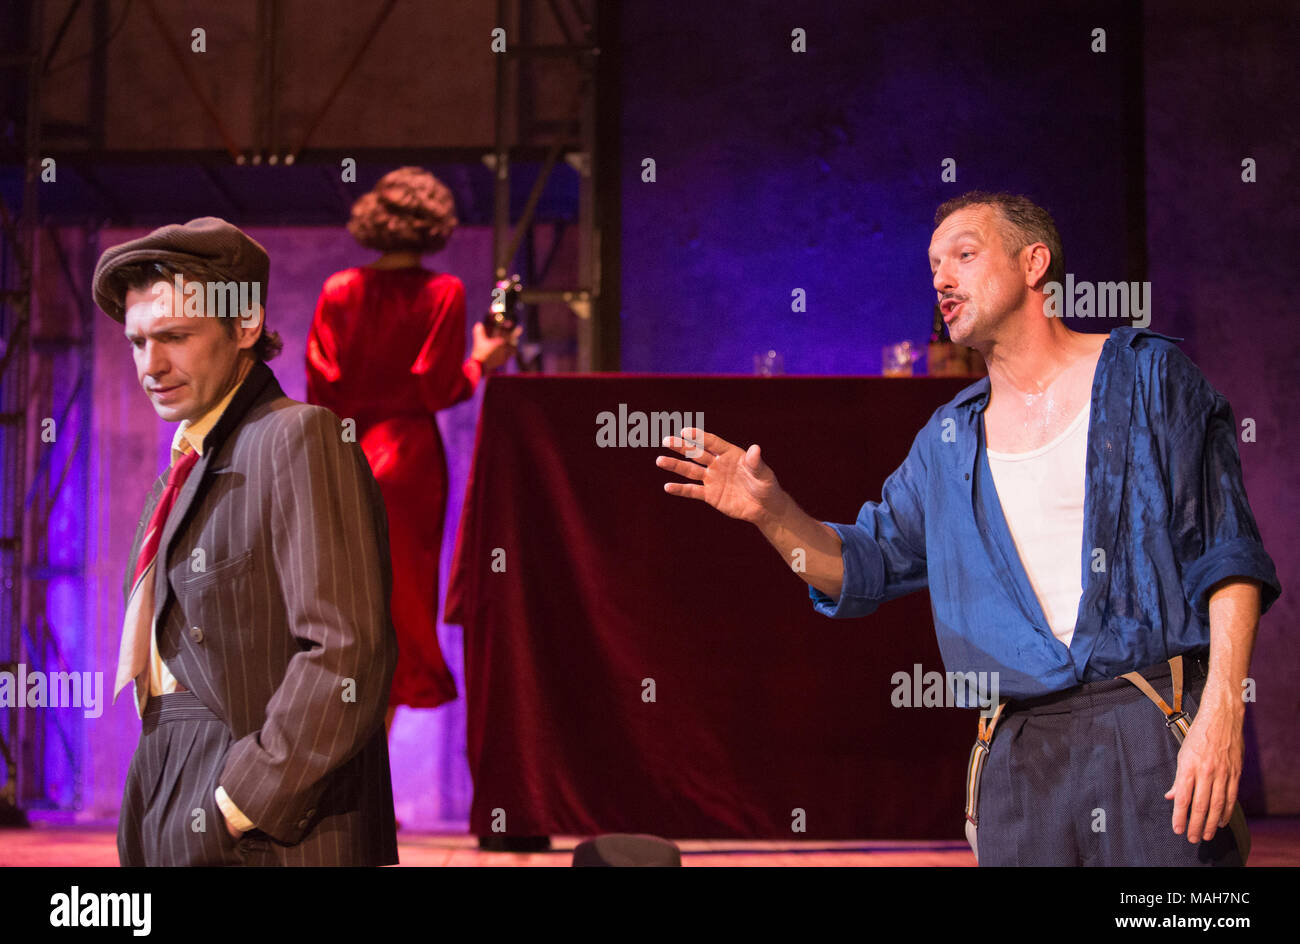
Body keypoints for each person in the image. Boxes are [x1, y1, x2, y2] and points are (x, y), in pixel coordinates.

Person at [656, 191, 1280, 866]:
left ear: (1034, 262)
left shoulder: (1150, 378)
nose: (941, 280)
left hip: (1150, 726)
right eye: (933, 265)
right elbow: (861, 567)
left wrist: (1222, 712)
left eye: (964, 255)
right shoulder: (949, 439)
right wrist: (773, 515)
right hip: (1019, 751)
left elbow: (1228, 551)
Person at [94, 216, 400, 866]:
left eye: (174, 336)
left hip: (265, 816)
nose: (151, 366)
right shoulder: (185, 465)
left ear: (245, 326)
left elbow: (346, 648)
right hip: (168, 767)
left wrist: (239, 803)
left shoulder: (297, 436)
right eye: (137, 342)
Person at [306, 166, 517, 736]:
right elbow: (437, 385)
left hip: (342, 454)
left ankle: (338, 765)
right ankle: (368, 764)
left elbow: (320, 387)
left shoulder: (338, 290)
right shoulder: (443, 293)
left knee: (343, 608)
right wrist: (482, 364)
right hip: (410, 460)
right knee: (400, 608)